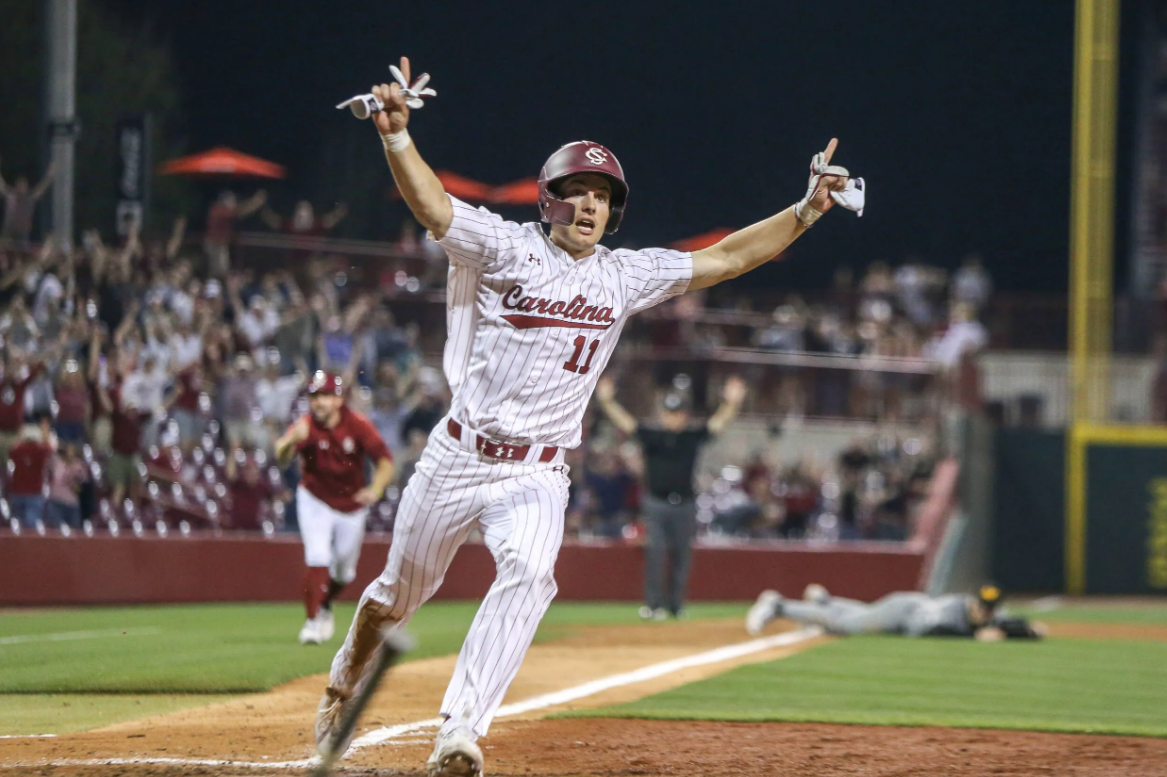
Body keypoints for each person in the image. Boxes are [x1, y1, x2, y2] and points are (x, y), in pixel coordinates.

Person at [313, 56, 861, 777]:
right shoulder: (506, 246)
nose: (592, 206)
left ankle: (459, 729)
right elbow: (435, 208)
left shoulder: (622, 274)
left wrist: (806, 210)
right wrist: (396, 137)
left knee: (530, 573)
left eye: (603, 196)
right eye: (577, 192)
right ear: (548, 200)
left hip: (538, 472)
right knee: (393, 599)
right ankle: (343, 681)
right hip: (458, 455)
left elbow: (726, 258)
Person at [595, 375, 746, 620]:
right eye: (670, 413)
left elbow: (718, 424)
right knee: (654, 554)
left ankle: (676, 606)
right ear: (663, 414)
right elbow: (626, 423)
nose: (673, 418)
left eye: (677, 413)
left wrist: (732, 403)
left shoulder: (691, 437)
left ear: (684, 415)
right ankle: (653, 606)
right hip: (656, 503)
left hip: (685, 504)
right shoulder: (653, 436)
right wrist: (607, 402)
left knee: (681, 556)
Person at [275, 371, 394, 645]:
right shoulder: (305, 426)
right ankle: (312, 621)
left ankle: (325, 604)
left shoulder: (358, 425)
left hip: (351, 504)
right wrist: (290, 442)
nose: (319, 402)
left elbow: (385, 460)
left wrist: (376, 489)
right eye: (315, 396)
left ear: (339, 399)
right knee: (318, 556)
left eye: (326, 395)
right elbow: (281, 456)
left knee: (343, 571)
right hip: (315, 498)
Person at [746, 583, 1046, 640]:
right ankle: (779, 605)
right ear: (973, 602)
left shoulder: (988, 616)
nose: (986, 613)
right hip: (903, 611)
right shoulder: (950, 614)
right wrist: (975, 636)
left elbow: (1010, 623)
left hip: (910, 607)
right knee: (846, 625)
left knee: (859, 613)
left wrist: (1028, 631)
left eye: (990, 609)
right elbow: (925, 630)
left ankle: (824, 600)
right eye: (983, 606)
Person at [8, 416, 56, 528]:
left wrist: (20, 438)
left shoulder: (18, 450)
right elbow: (50, 448)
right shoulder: (41, 451)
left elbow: (11, 448)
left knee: (17, 528)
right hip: (34, 493)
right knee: (31, 528)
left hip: (18, 492)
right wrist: (44, 434)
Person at [0, 158, 56, 245]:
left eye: (23, 185)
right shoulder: (11, 196)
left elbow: (42, 189)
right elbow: (2, 186)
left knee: (23, 250)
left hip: (22, 234)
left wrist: (50, 175)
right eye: (19, 185)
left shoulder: (29, 198)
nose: (21, 188)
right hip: (9, 232)